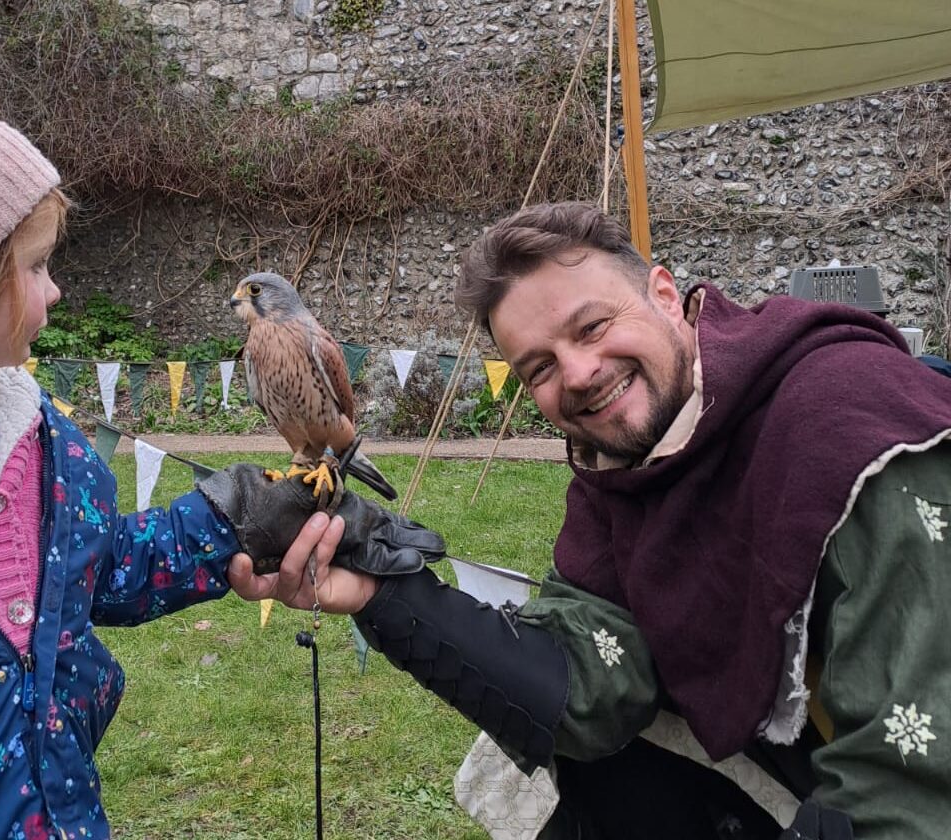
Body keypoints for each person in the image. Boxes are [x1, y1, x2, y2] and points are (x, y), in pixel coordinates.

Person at [0, 19, 427, 839]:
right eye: (36, 267)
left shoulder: (42, 440)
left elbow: (99, 571)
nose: (58, 290)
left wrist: (234, 520)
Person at [228, 201, 951, 839]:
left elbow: (916, 783)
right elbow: (592, 685)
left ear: (667, 296)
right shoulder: (623, 473)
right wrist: (381, 588)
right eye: (538, 368)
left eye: (594, 326)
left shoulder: (851, 426)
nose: (576, 375)